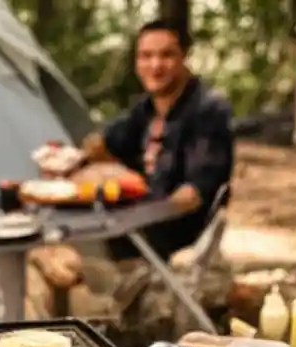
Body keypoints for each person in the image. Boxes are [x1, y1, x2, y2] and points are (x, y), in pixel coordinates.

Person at [80, 19, 235, 262]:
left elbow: (193, 196)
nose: (155, 65)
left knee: (77, 243)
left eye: (166, 55)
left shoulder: (208, 110)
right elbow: (103, 144)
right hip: (137, 220)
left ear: (184, 57)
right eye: (146, 56)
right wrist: (74, 159)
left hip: (176, 230)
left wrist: (136, 215)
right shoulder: (145, 109)